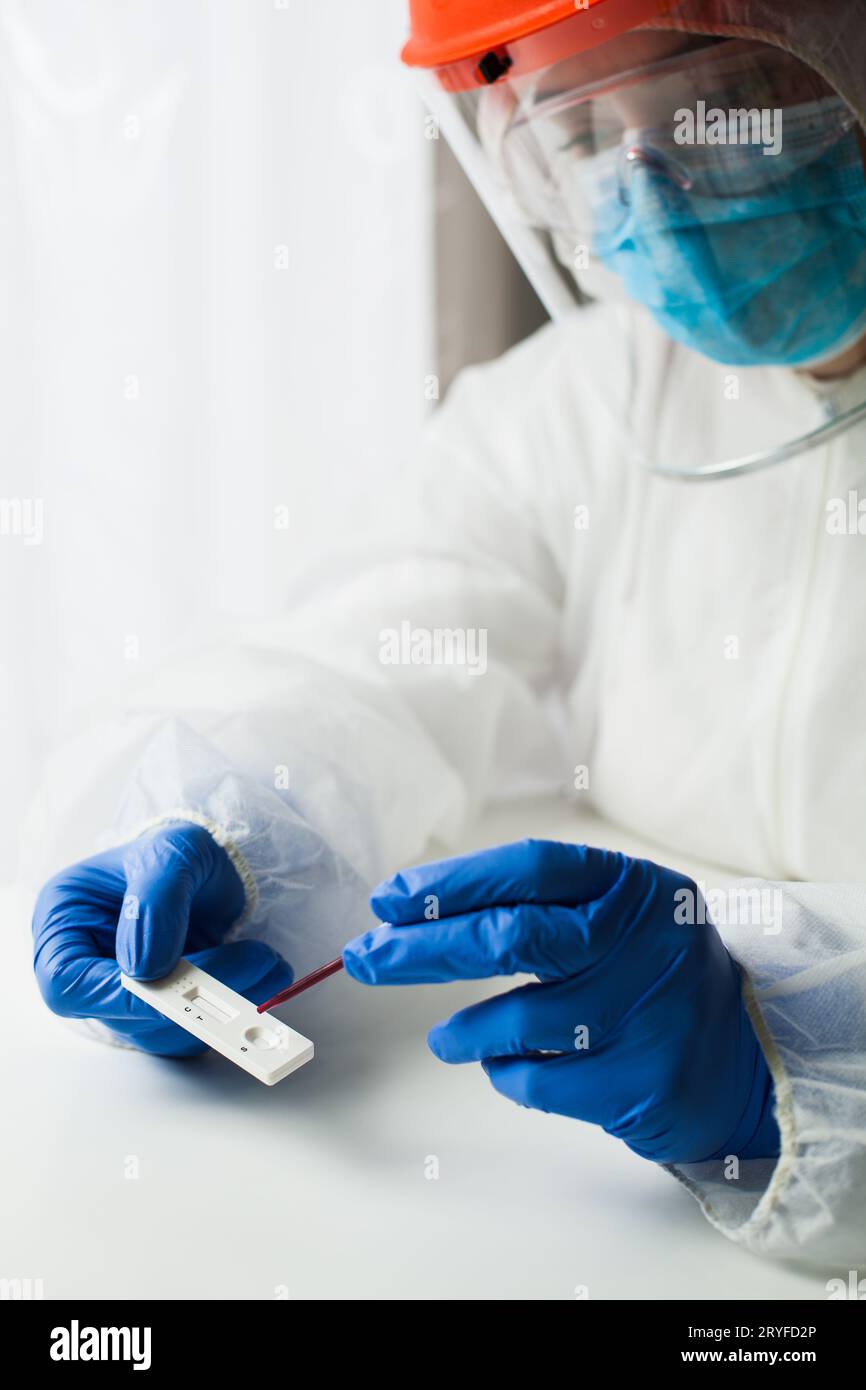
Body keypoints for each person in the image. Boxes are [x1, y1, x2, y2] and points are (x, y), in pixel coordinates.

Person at [31, 0, 866, 1267]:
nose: (652, 187)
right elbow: (383, 644)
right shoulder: (584, 401)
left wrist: (802, 1056)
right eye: (582, 132)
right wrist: (234, 822)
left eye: (719, 106)